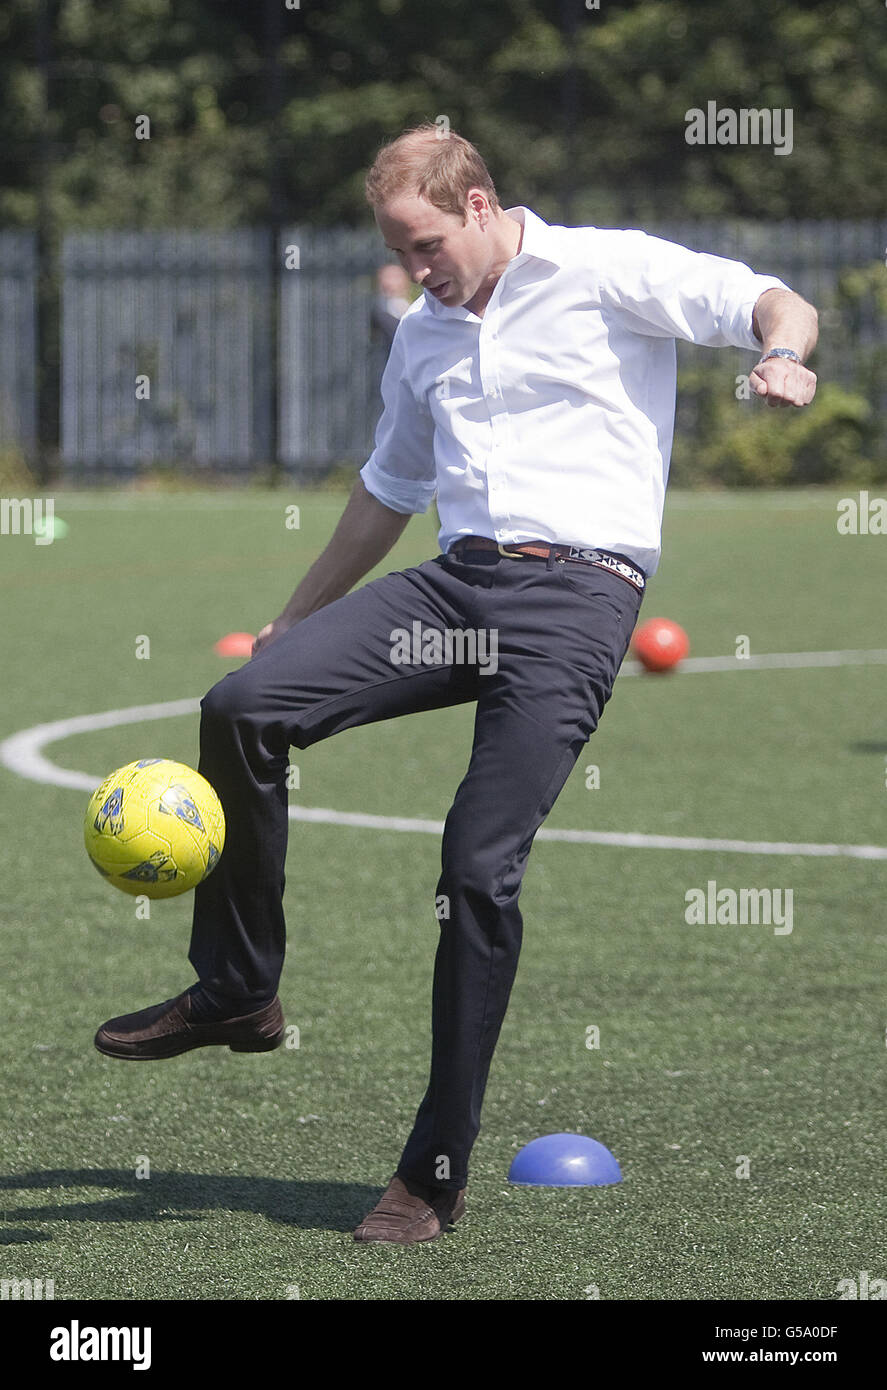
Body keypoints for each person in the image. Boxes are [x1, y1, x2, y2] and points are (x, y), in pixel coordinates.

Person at [94, 124, 818, 1245]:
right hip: (452, 592)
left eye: (425, 245)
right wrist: (296, 616)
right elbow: (386, 491)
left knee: (476, 868)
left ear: (476, 205)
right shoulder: (423, 337)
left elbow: (773, 299)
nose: (416, 271)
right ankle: (238, 987)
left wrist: (780, 355)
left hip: (578, 600)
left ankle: (430, 1173)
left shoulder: (604, 269)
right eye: (399, 251)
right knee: (242, 705)